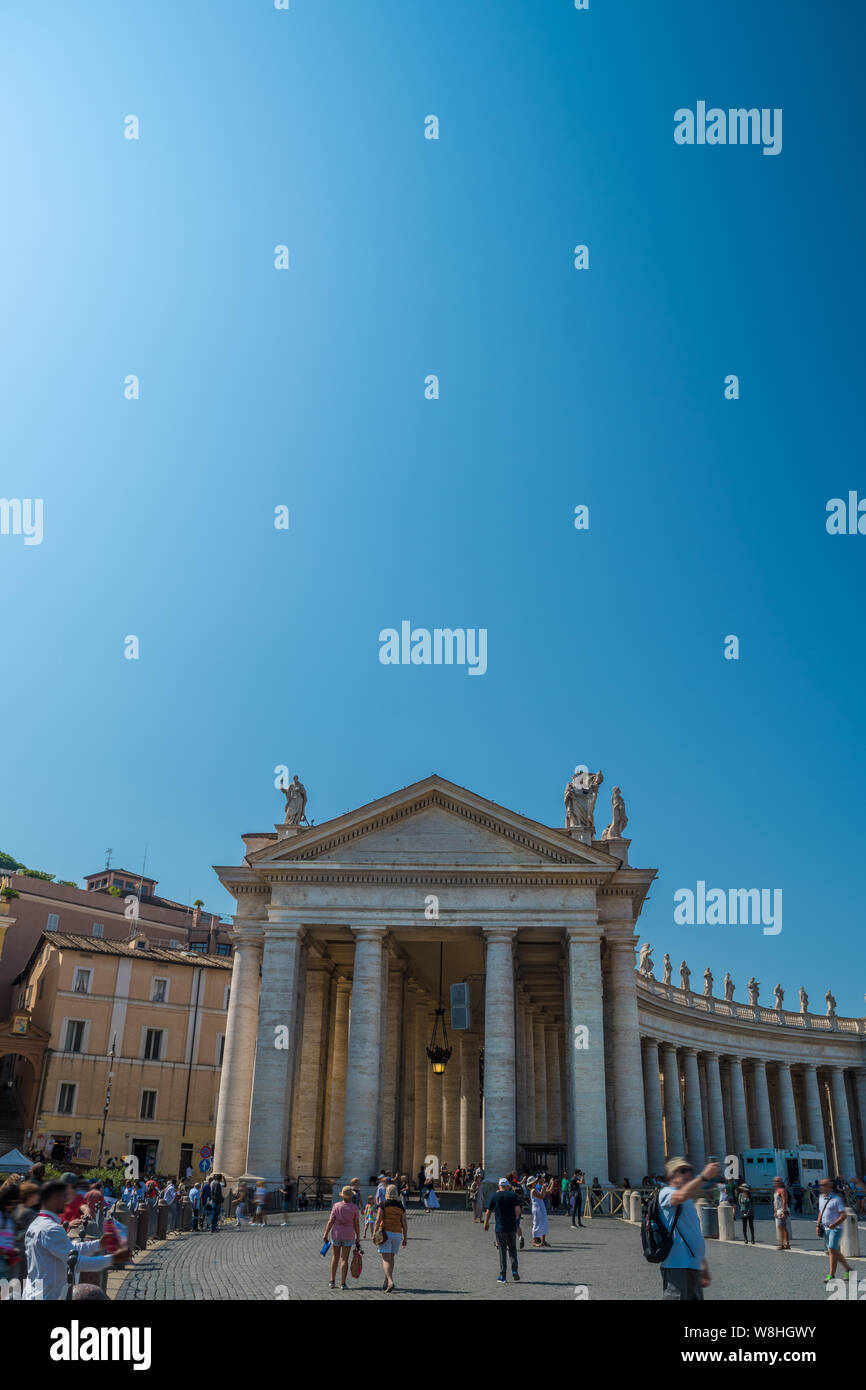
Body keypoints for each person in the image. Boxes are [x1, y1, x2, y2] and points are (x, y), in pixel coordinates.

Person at [23, 1179, 117, 1300]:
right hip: (48, 1296)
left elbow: (70, 1249)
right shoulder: (51, 1229)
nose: (66, 1201)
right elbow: (76, 1262)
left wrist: (98, 1244)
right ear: (53, 1198)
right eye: (63, 1197)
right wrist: (113, 1259)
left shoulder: (36, 1224)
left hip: (33, 1293)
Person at [657, 1157, 719, 1301]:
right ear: (672, 1175)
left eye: (690, 1170)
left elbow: (691, 1233)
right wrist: (704, 1176)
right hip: (676, 1265)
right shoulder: (666, 1193)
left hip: (692, 1265)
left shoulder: (688, 1200)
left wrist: (702, 1263)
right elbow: (681, 1195)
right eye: (683, 1171)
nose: (688, 1174)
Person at [484, 1177, 522, 1284]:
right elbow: (518, 1210)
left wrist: (486, 1223)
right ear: (507, 1186)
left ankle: (503, 1276)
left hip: (500, 1228)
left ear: (499, 1186)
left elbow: (488, 1212)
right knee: (513, 1249)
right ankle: (514, 1270)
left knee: (502, 1251)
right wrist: (515, 1218)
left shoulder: (495, 1196)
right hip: (511, 1227)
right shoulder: (513, 1195)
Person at [324, 1186, 361, 1290]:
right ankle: (343, 1283)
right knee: (344, 1259)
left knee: (335, 1258)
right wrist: (358, 1237)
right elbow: (356, 1224)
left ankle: (332, 1281)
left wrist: (326, 1233)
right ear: (351, 1197)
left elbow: (330, 1221)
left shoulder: (336, 1206)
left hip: (336, 1233)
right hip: (349, 1234)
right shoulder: (354, 1208)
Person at [373, 1183, 407, 1292]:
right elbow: (404, 1224)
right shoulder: (400, 1206)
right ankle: (386, 1281)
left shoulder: (383, 1204)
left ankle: (391, 1281)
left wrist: (374, 1233)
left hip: (385, 1233)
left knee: (385, 1259)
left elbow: (378, 1220)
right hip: (397, 1234)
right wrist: (405, 1237)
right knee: (391, 1258)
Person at [817, 1177, 851, 1285]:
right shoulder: (821, 1197)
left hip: (836, 1228)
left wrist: (834, 1224)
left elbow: (844, 1215)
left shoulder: (837, 1199)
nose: (820, 1187)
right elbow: (820, 1212)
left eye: (823, 1185)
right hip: (825, 1228)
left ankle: (831, 1275)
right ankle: (848, 1269)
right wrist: (818, 1225)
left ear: (829, 1186)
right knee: (833, 1251)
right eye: (820, 1185)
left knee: (831, 1249)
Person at [530, 1176, 553, 1247]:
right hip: (537, 1209)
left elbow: (544, 1193)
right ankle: (535, 1241)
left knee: (544, 1223)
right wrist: (543, 1188)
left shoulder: (535, 1189)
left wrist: (545, 1187)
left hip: (541, 1207)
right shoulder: (533, 1190)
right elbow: (542, 1196)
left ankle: (543, 1241)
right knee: (536, 1224)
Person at [772, 1177, 791, 1251]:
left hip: (782, 1210)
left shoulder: (782, 1190)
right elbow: (775, 1202)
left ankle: (782, 1244)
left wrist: (784, 1211)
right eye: (774, 1181)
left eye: (776, 1181)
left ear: (780, 1182)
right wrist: (775, 1211)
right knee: (782, 1227)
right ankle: (786, 1244)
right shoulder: (776, 1190)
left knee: (781, 1227)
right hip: (778, 1211)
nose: (774, 1182)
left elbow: (784, 1201)